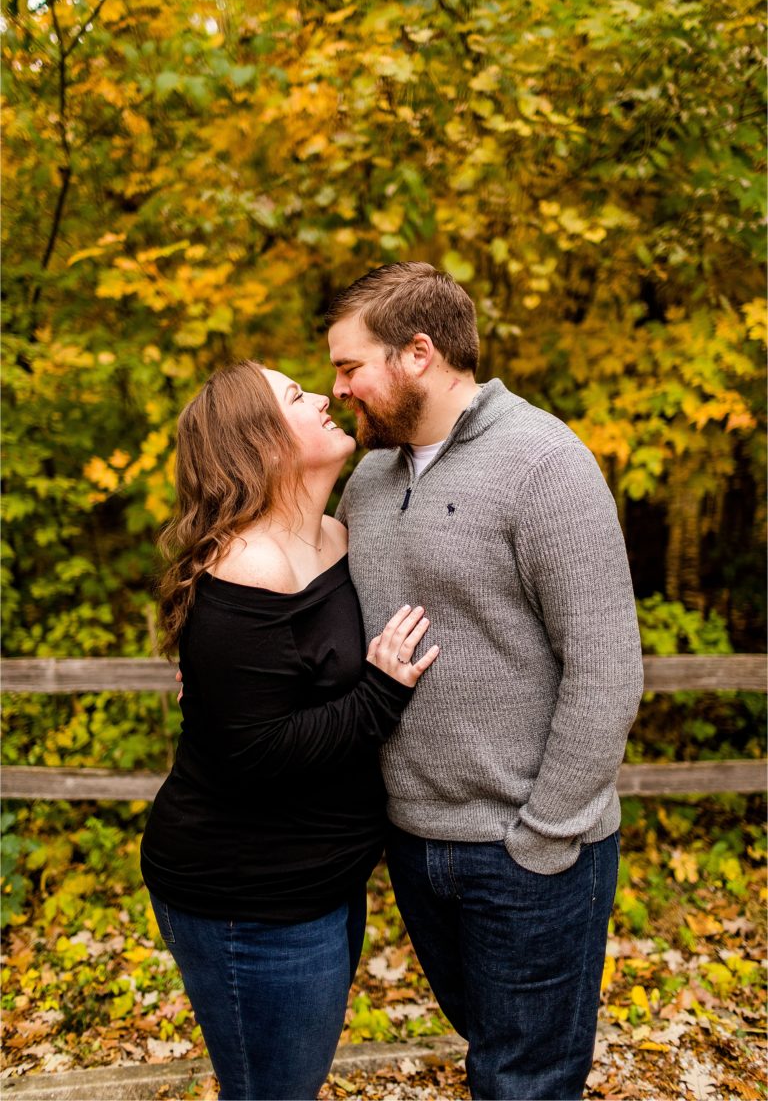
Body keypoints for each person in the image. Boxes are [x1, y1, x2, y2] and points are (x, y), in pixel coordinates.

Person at [326, 262, 645, 1101]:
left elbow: (607, 668)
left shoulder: (545, 463)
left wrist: (544, 836)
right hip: (413, 843)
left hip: (530, 851)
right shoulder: (370, 479)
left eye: (350, 366)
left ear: (417, 353)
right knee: (494, 1055)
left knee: (522, 1081)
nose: (338, 389)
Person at [140, 360, 439, 1101]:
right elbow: (255, 752)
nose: (322, 398)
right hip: (248, 896)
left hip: (324, 878)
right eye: (296, 396)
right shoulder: (248, 565)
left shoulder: (335, 535)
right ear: (262, 442)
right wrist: (382, 692)